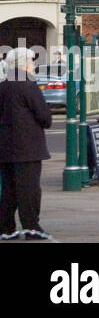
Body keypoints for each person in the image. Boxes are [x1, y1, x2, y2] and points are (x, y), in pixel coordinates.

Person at [0, 48, 54, 240]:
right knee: (29, 190)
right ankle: (31, 227)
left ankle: (6, 228)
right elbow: (44, 116)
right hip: (27, 148)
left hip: (5, 147)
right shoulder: (27, 85)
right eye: (32, 62)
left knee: (8, 191)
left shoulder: (3, 85)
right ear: (24, 64)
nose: (33, 66)